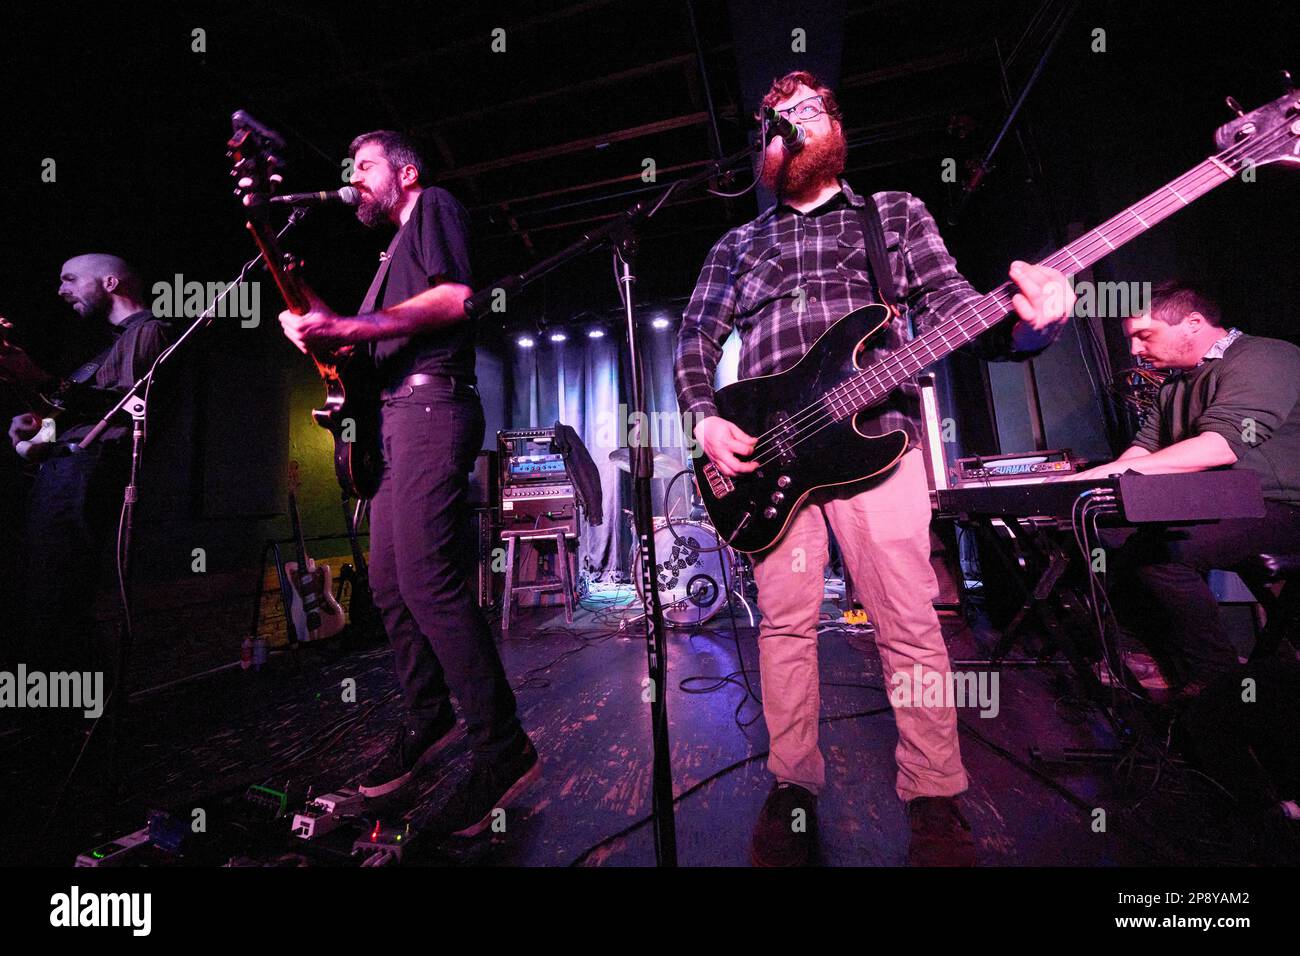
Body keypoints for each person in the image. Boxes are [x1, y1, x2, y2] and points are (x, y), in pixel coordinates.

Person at [674, 71, 1074, 866]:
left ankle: (934, 797)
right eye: (775, 120)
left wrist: (1032, 329)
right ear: (765, 148)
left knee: (910, 624)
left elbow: (964, 309)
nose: (793, 124)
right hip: (771, 464)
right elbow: (693, 336)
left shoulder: (891, 215)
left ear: (835, 126)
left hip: (877, 445)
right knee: (785, 626)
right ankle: (792, 786)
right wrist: (705, 415)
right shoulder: (737, 244)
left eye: (809, 109)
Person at [278, 130, 537, 837]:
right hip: (395, 417)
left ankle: (502, 744)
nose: (353, 177)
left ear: (406, 171)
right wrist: (324, 346)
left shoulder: (436, 207)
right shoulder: (388, 256)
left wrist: (350, 325)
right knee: (390, 582)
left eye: (364, 166)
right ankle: (429, 717)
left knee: (428, 578)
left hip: (433, 408)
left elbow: (455, 300)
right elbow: (371, 346)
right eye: (349, 167)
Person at [1068, 281, 1300, 696]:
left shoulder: (1266, 356)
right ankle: (1166, 662)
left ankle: (1216, 684)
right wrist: (1076, 485)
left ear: (1192, 324)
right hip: (1230, 504)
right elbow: (1141, 452)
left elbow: (1221, 446)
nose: (1136, 350)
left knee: (1160, 553)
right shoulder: (1175, 385)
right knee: (1106, 534)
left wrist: (1102, 478)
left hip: (1283, 506)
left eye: (1144, 335)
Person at [8, 254, 171, 675]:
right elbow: (70, 417)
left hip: (89, 473)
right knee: (43, 590)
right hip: (63, 472)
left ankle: (69, 712)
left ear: (110, 283)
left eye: (70, 280)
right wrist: (32, 434)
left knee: (59, 593)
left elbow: (123, 407)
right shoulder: (104, 349)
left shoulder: (149, 330)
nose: (61, 291)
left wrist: (37, 377)